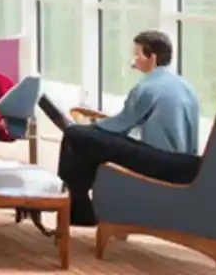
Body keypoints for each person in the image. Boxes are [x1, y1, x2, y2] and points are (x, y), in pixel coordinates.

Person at [57, 30, 202, 226]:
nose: (134, 60)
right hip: (186, 161)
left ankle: (76, 201)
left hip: (160, 160)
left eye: (137, 54)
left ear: (152, 57)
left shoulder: (148, 87)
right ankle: (78, 205)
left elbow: (120, 125)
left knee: (75, 134)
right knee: (83, 141)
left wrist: (92, 128)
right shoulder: (185, 85)